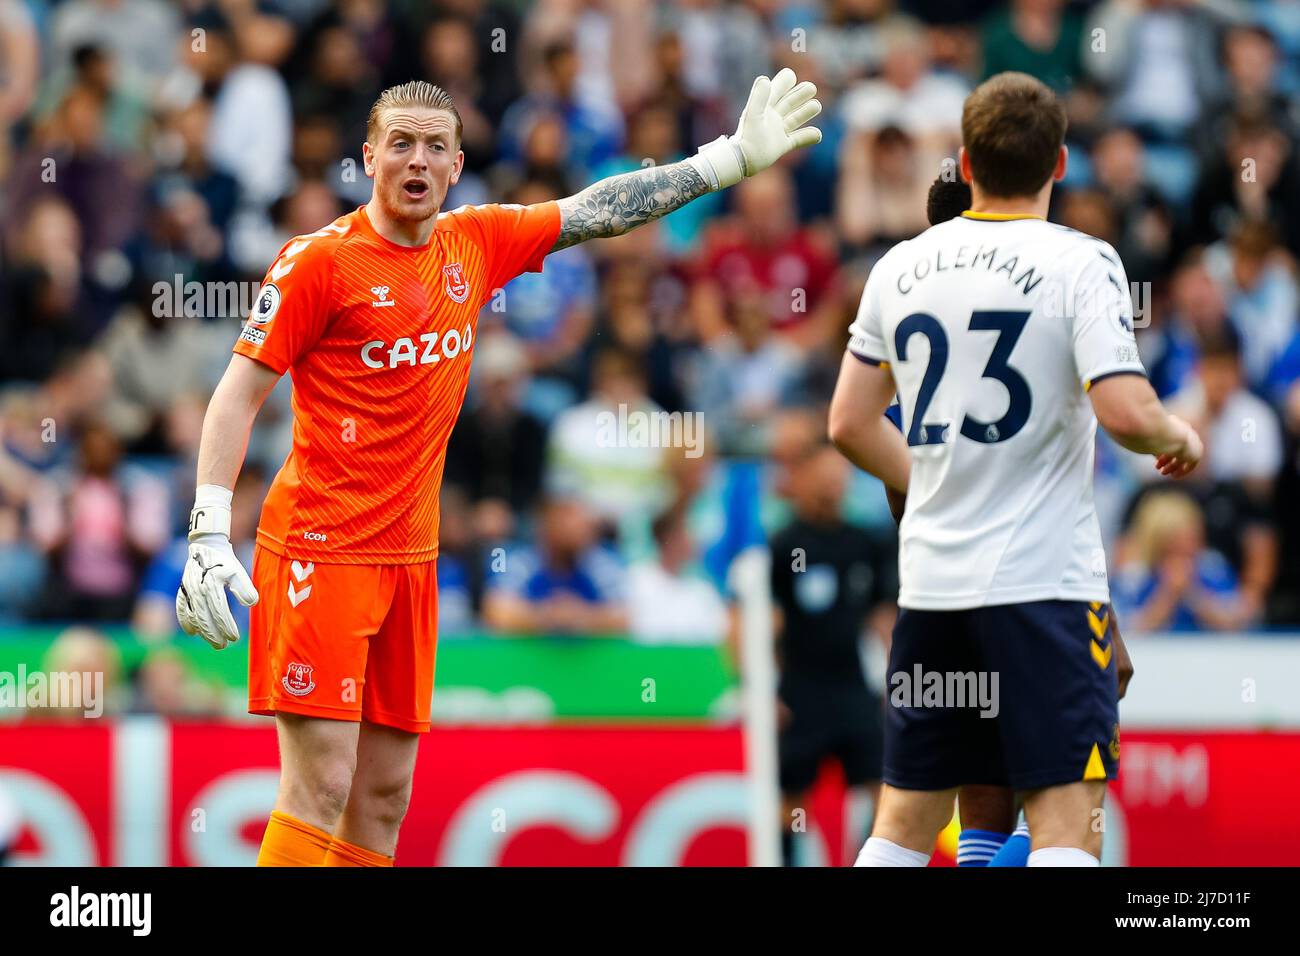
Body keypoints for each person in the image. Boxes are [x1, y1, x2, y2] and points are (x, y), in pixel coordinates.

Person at [173, 72, 823, 867]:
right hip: (320, 551)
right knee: (322, 785)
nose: (417, 160)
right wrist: (207, 528)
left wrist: (724, 162)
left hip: (411, 559)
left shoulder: (475, 242)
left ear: (455, 167)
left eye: (435, 147)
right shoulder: (318, 263)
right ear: (368, 156)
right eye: (401, 143)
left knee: (383, 799)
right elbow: (236, 395)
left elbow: (598, 209)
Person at [828, 72, 1201, 868]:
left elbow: (847, 424)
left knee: (901, 827)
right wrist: (1180, 433)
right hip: (1042, 588)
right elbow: (1127, 412)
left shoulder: (899, 267)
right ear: (1061, 164)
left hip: (933, 590)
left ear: (963, 161)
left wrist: (928, 479)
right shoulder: (1080, 261)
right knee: (1068, 825)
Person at [769, 444, 896, 866]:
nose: (830, 486)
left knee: (882, 796)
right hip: (800, 690)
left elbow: (882, 617)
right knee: (791, 805)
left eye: (838, 478)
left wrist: (896, 681)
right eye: (822, 477)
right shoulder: (784, 544)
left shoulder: (865, 543)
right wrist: (764, 690)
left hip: (852, 688)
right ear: (800, 480)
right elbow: (765, 622)